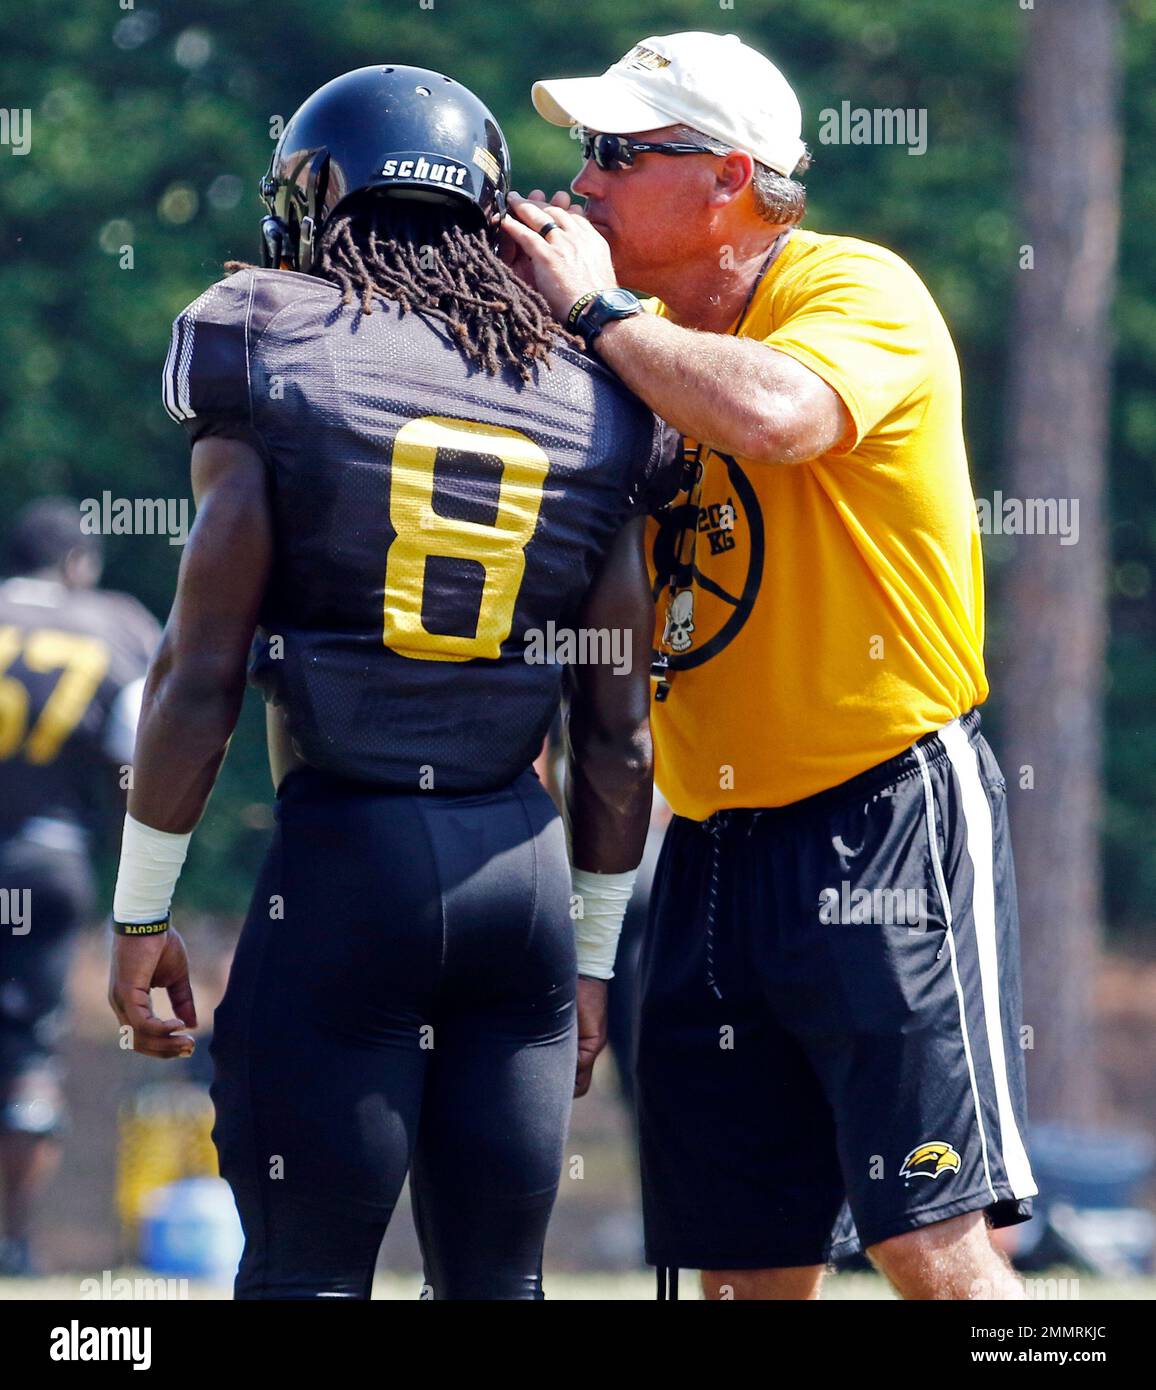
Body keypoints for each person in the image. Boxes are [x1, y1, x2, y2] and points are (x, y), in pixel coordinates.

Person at [107, 65, 675, 1300]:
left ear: (319, 204)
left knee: (306, 1278)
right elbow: (619, 736)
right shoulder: (606, 399)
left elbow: (198, 672)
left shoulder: (264, 335)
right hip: (517, 882)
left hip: (345, 866)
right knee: (497, 1286)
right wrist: (590, 954)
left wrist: (142, 912)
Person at [505, 30, 1038, 1300]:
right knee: (738, 1267)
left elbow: (781, 418)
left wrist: (592, 309)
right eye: (584, 154)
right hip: (706, 847)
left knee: (930, 1244)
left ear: (729, 178)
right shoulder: (621, 354)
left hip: (883, 812)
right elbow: (582, 668)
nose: (581, 186)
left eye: (618, 155)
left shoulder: (856, 286)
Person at [0, 499, 158, 1275]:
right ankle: (14, 1243)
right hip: (50, 862)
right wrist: (143, 890)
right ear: (76, 565)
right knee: (28, 1051)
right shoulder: (113, 625)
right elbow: (142, 754)